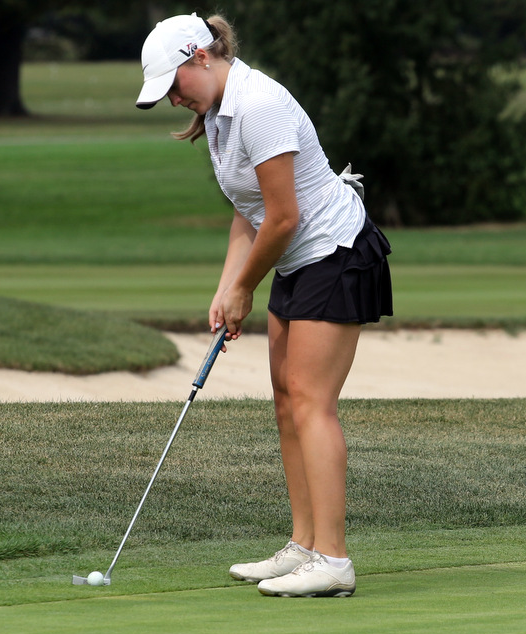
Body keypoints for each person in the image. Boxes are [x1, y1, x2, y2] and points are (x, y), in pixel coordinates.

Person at [136, 13, 392, 597]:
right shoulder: (219, 119)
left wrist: (245, 287)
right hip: (296, 259)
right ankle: (304, 546)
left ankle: (333, 559)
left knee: (311, 401)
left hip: (336, 251)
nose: (175, 100)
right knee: (285, 401)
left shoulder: (258, 105)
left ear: (200, 55)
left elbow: (284, 217)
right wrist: (227, 288)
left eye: (174, 86)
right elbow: (247, 212)